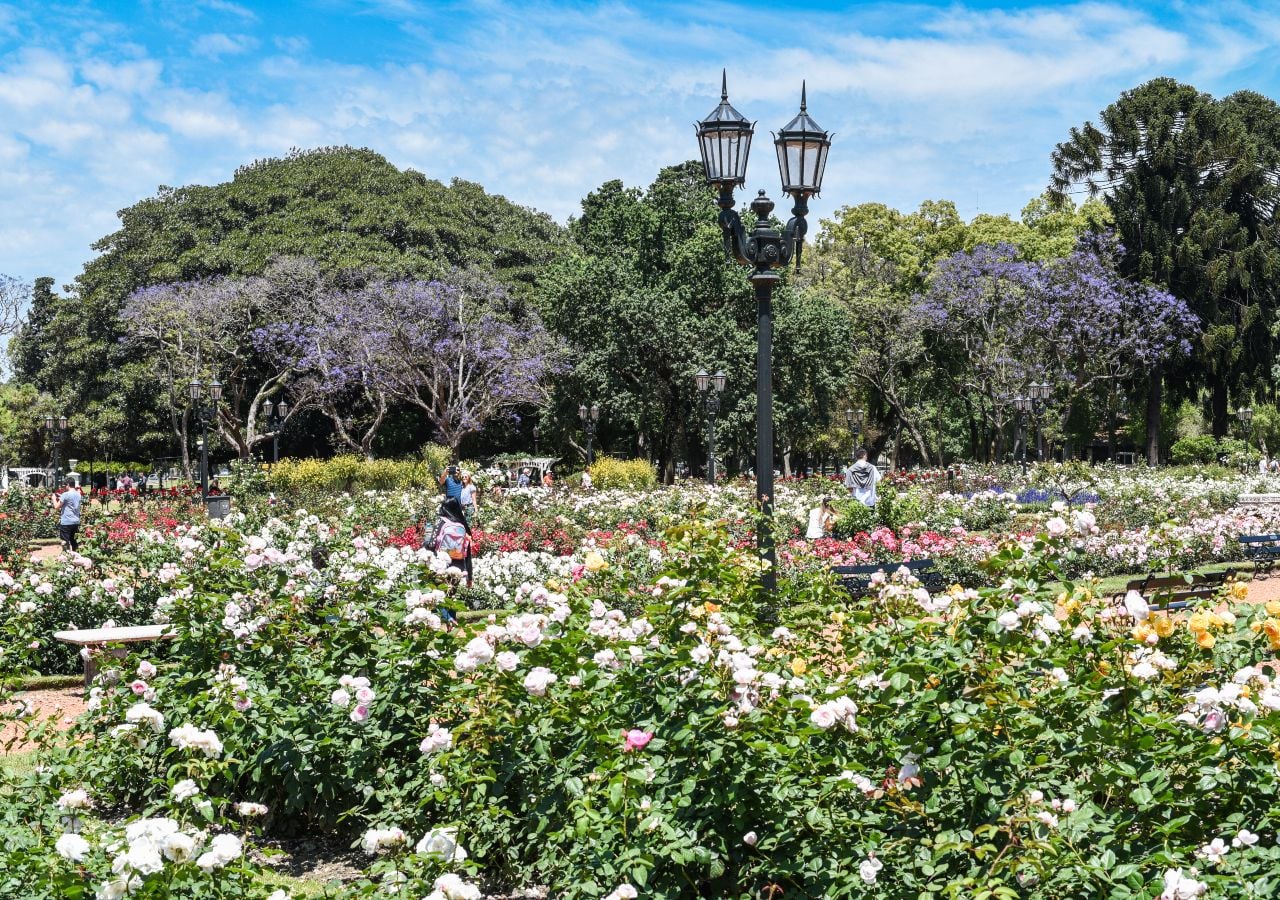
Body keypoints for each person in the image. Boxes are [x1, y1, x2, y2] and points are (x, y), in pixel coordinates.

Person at [428, 497, 473, 588]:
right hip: (457, 566)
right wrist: (470, 577)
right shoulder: (462, 524)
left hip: (440, 564)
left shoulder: (440, 522)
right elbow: (467, 551)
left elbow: (431, 544)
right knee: (451, 595)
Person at [55, 476, 82, 553]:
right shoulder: (78, 494)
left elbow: (56, 506)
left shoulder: (65, 494)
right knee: (74, 542)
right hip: (76, 521)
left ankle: (66, 558)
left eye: (65, 485)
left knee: (65, 542)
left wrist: (54, 498)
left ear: (68, 484)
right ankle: (76, 557)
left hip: (66, 522)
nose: (64, 487)